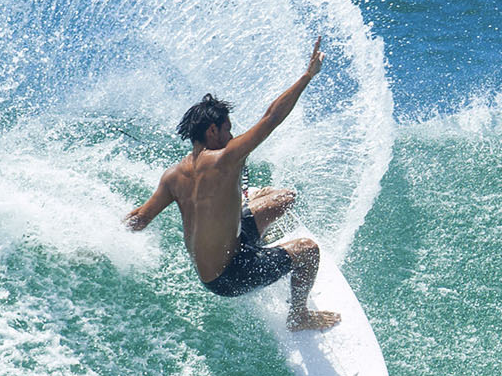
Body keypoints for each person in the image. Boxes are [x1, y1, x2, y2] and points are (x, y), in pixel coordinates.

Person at [125, 39, 341, 332]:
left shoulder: (172, 176)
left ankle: (257, 232)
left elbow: (139, 219)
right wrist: (307, 76)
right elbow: (272, 118)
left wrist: (103, 239)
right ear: (212, 130)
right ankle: (299, 316)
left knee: (283, 198)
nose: (232, 134)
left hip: (226, 252)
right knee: (308, 250)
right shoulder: (225, 158)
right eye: (228, 128)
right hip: (230, 276)